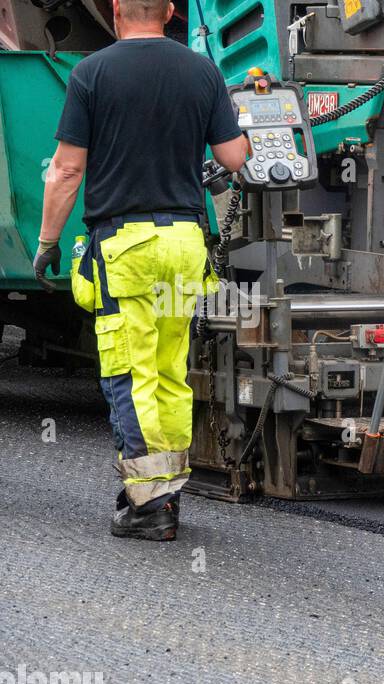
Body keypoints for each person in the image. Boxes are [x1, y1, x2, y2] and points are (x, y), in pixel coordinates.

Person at [34, 0, 247, 541]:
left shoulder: (92, 73)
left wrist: (48, 242)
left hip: (127, 246)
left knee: (131, 373)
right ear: (171, 11)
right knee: (171, 371)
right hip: (184, 244)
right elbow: (234, 158)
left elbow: (65, 169)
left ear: (115, 10)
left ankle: (148, 506)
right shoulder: (202, 70)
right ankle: (164, 492)